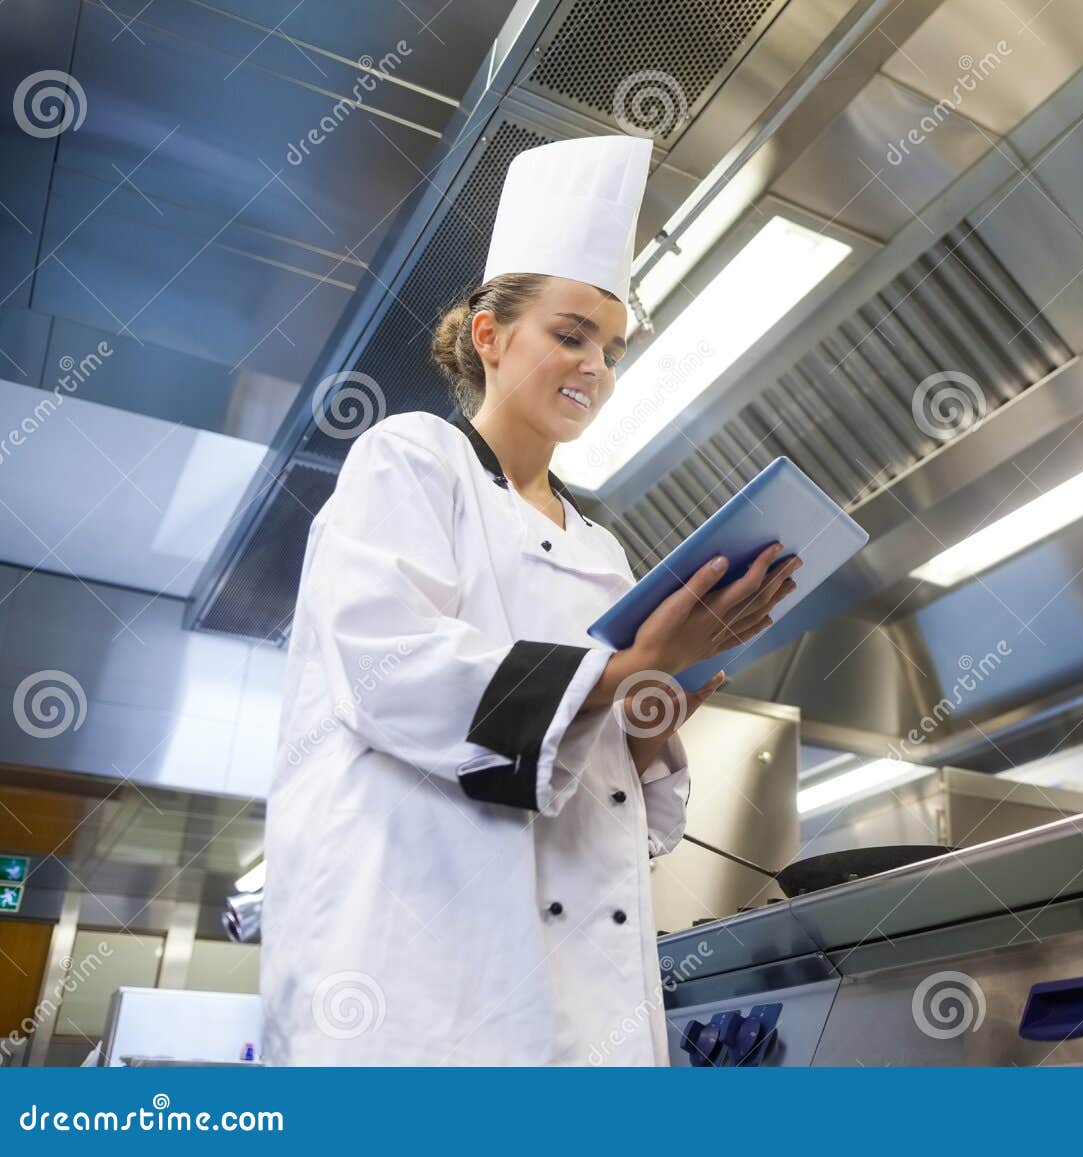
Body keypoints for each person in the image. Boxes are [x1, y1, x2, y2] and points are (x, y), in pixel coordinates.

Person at [260, 135, 800, 1065]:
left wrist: (646, 711)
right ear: (489, 333)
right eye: (571, 333)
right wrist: (624, 669)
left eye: (613, 347)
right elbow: (394, 670)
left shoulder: (602, 548)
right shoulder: (412, 460)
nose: (596, 365)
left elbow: (606, 793)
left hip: (579, 1008)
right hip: (420, 991)